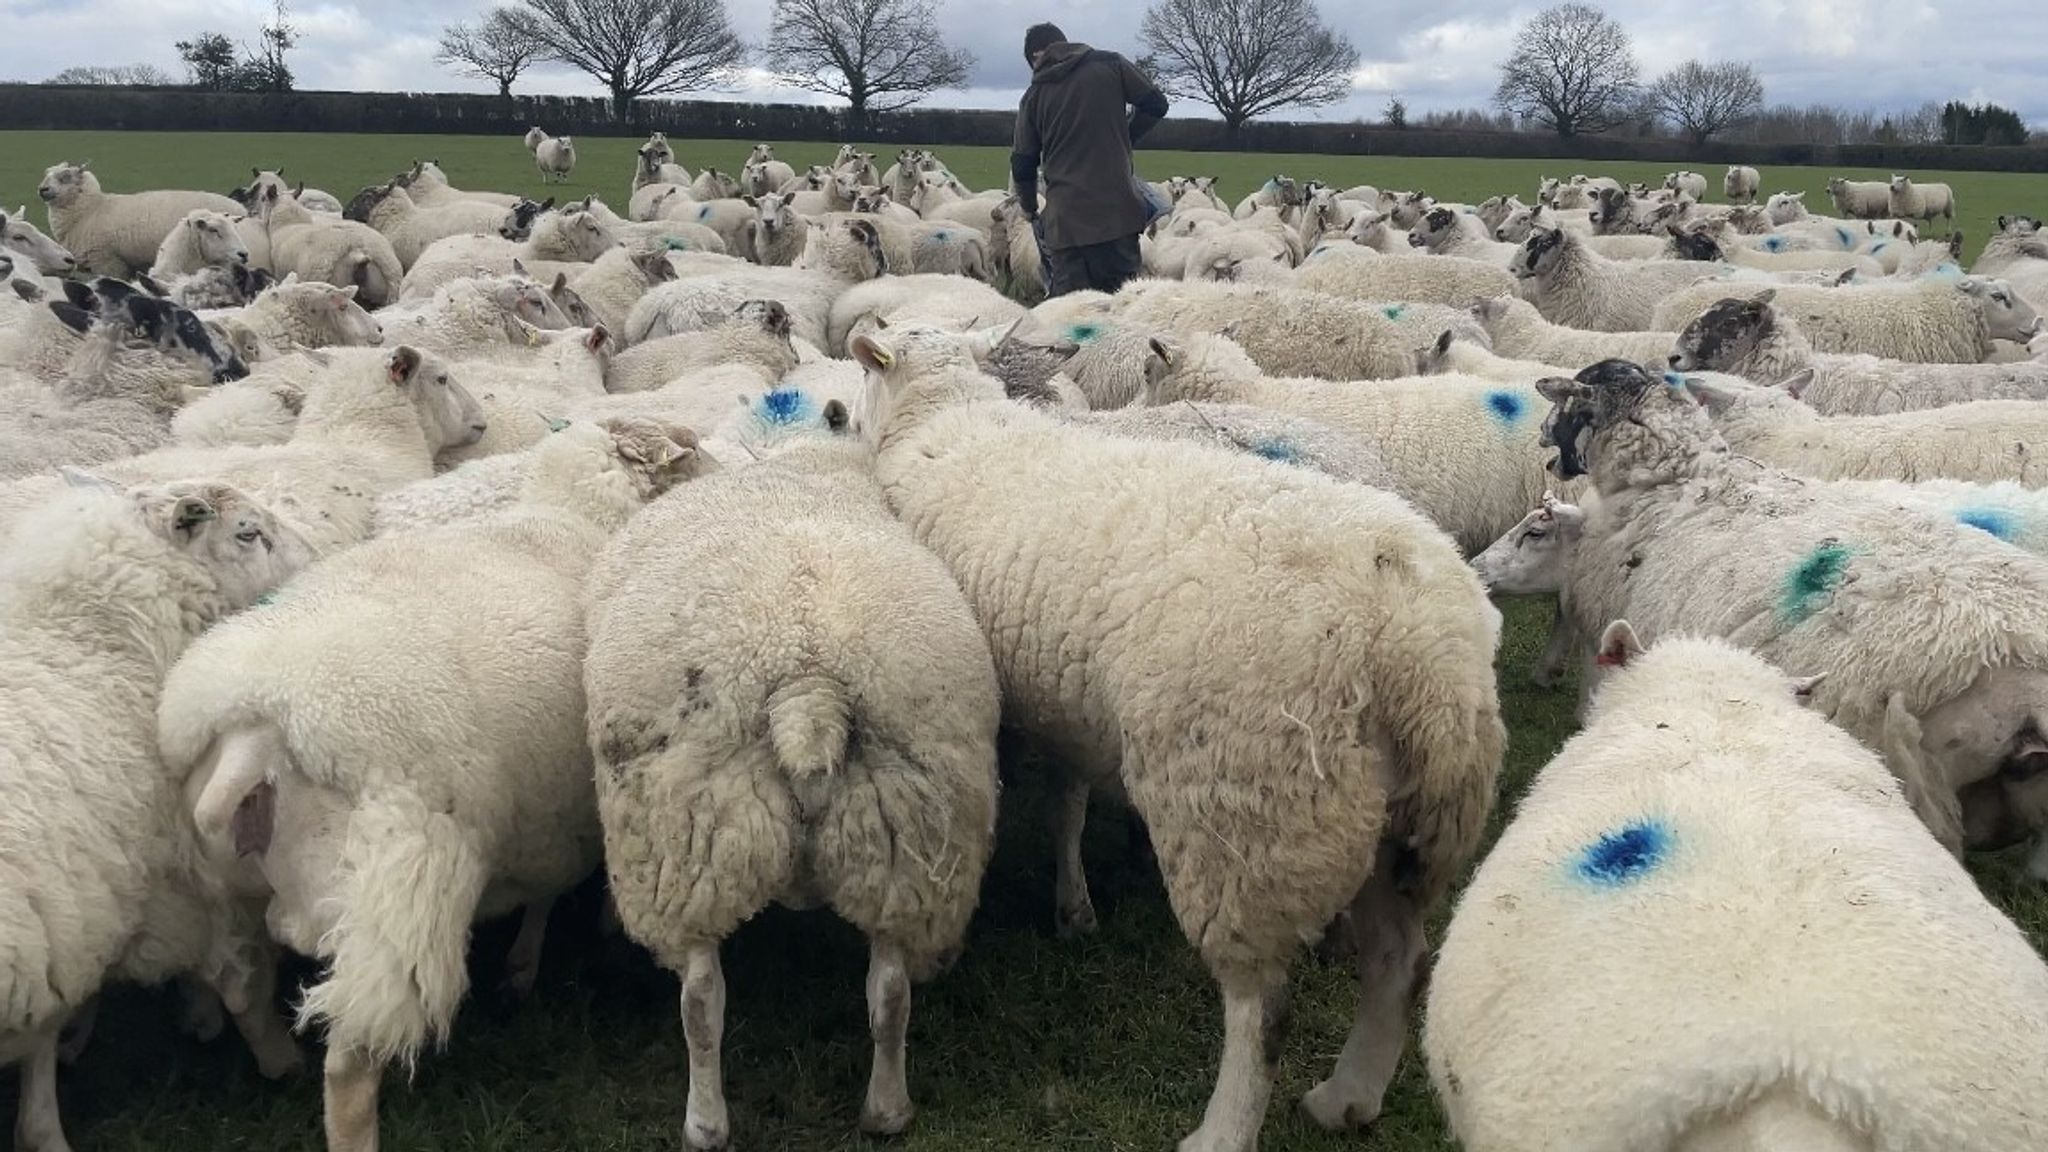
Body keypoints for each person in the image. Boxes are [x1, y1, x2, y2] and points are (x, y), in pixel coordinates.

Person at [1010, 22, 1169, 297]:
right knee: (1122, 307)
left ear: (1035, 57)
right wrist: (1126, 136)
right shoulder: (1111, 65)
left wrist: (1029, 207)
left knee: (1072, 318)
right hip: (1118, 218)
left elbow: (1023, 163)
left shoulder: (1034, 95)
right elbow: (1156, 104)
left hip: (1067, 227)